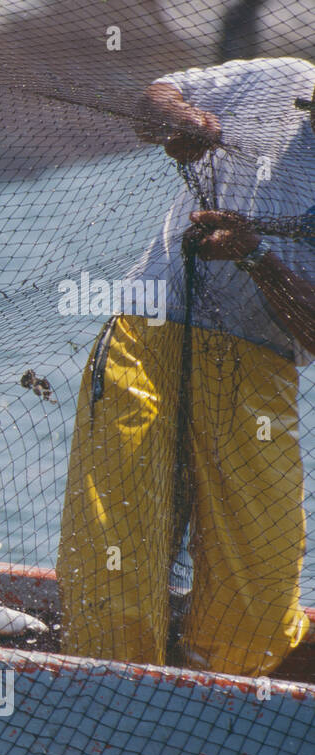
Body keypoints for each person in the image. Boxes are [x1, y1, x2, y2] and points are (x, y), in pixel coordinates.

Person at [56, 57, 315, 678]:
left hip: (259, 365)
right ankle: (108, 682)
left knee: (254, 595)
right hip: (148, 333)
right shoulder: (278, 77)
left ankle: (223, 689)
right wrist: (186, 120)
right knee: (114, 544)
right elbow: (153, 101)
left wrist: (257, 259)